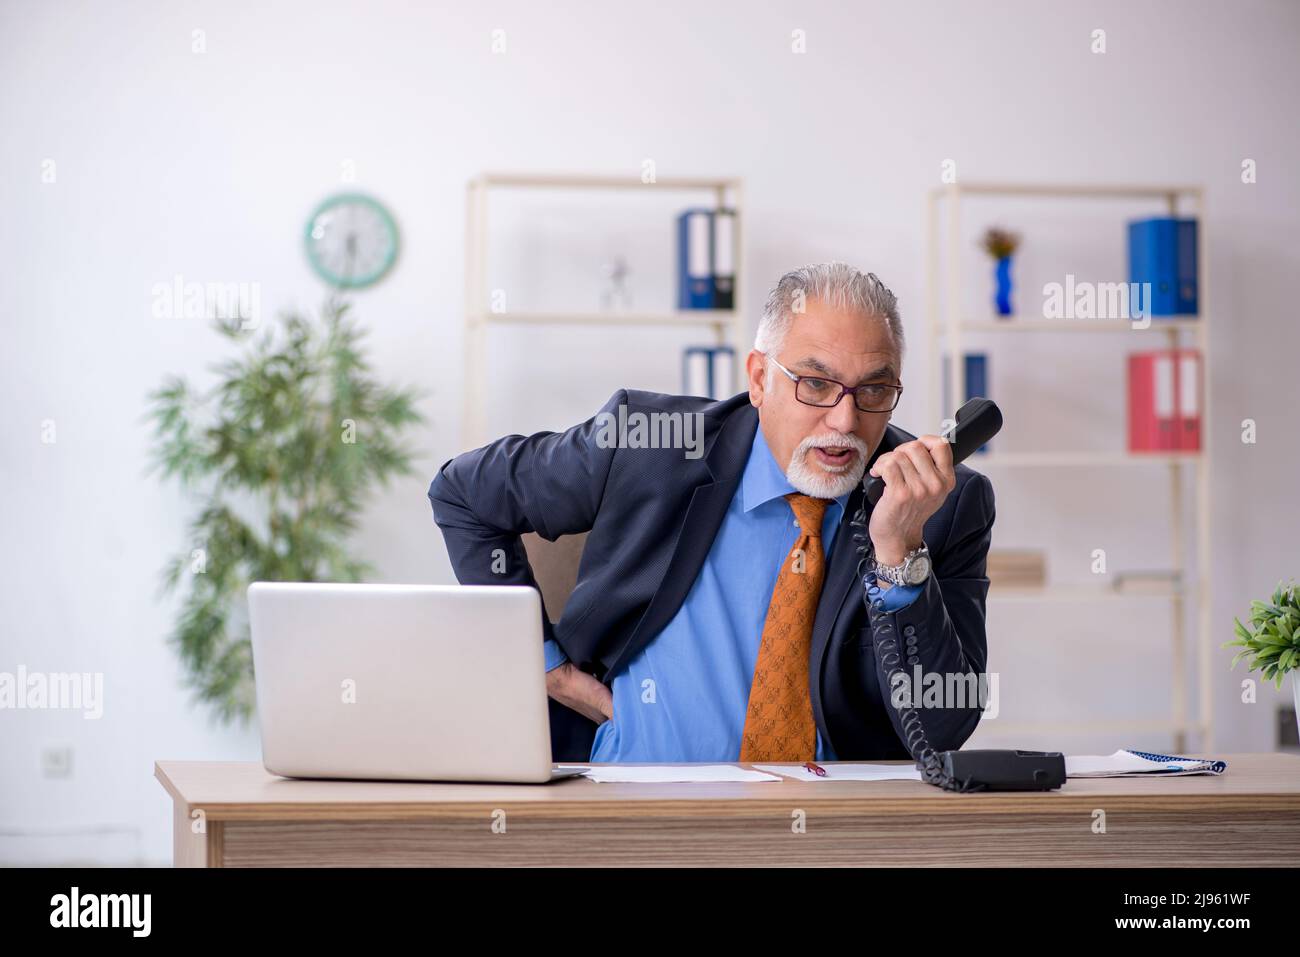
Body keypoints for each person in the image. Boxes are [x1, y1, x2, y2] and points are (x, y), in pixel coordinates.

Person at [429, 262, 995, 763]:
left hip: (831, 827)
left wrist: (900, 552)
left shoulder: (943, 507)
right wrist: (541, 662)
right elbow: (464, 492)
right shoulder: (647, 444)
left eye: (873, 390)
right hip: (626, 803)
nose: (845, 421)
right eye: (816, 384)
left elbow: (942, 732)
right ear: (758, 379)